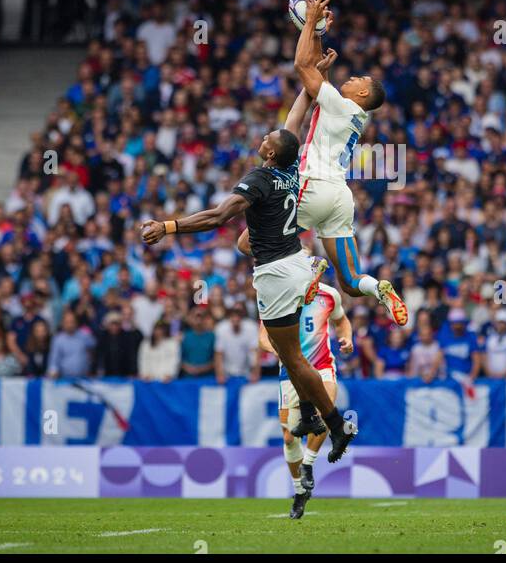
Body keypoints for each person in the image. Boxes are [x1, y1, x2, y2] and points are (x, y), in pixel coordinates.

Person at [141, 121, 359, 463]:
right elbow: (292, 128)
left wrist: (168, 227)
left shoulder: (260, 178)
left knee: (292, 357)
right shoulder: (291, 171)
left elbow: (218, 217)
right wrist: (306, 92)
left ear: (270, 152)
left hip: (276, 274)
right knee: (289, 352)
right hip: (295, 263)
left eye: (267, 138)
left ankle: (335, 424)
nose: (263, 137)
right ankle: (309, 414)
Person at [238, 0, 407, 326]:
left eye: (358, 79)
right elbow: (315, 75)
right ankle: (379, 289)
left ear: (362, 93)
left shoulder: (342, 106)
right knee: (351, 282)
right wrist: (317, 33)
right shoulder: (349, 113)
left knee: (246, 243)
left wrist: (309, 22)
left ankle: (306, 264)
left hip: (312, 185)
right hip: (339, 197)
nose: (352, 77)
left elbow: (302, 66)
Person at [259, 282, 352, 519]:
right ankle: (300, 491)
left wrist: (347, 338)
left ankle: (308, 464)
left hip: (322, 366)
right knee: (290, 437)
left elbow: (341, 320)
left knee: (324, 413)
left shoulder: (329, 294)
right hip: (290, 371)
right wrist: (279, 350)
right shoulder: (278, 293)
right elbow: (262, 337)